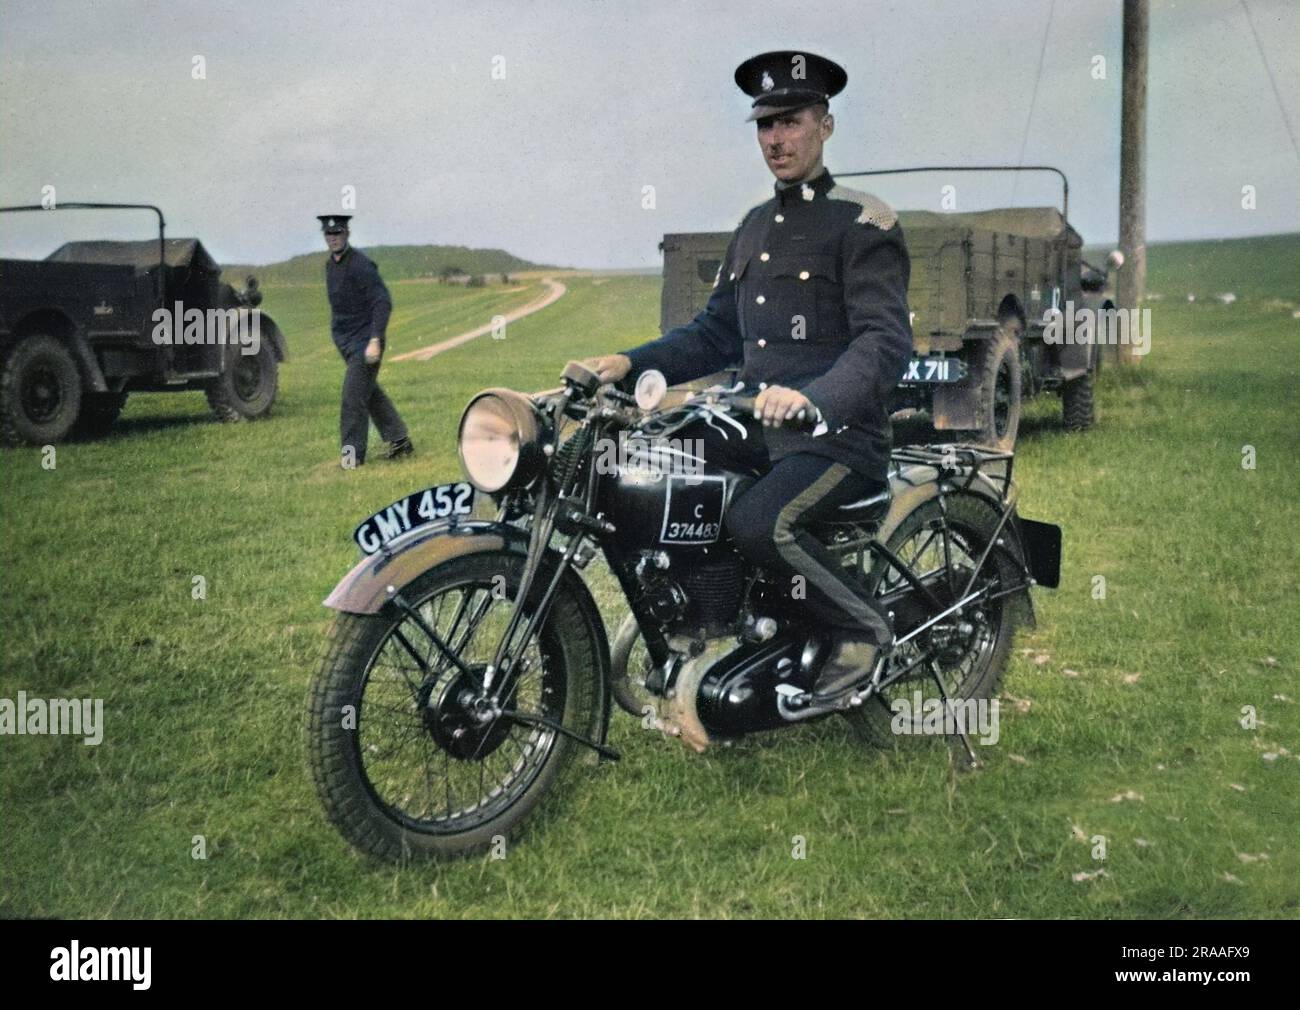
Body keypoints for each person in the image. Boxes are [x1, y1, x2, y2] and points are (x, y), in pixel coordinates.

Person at [585, 51, 913, 697]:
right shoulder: (754, 228)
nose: (775, 139)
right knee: (637, 469)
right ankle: (700, 613)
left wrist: (814, 399)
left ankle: (863, 632)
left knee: (757, 522)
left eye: (790, 121)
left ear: (825, 123)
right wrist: (629, 364)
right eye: (765, 125)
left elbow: (884, 339)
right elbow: (714, 332)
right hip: (752, 425)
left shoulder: (862, 220)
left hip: (836, 436)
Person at [319, 214, 413, 467]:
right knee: (368, 392)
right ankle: (400, 441)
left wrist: (375, 340)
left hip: (366, 341)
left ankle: (351, 458)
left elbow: (382, 302)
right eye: (329, 234)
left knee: (352, 399)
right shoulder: (330, 266)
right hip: (346, 341)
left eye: (338, 233)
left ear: (347, 234)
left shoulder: (361, 265)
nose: (333, 238)